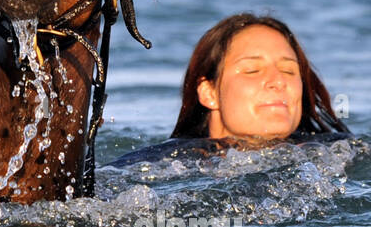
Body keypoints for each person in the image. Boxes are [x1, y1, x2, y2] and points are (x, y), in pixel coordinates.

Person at [112, 13, 349, 164]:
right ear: (209, 93)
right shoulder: (161, 163)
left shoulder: (340, 152)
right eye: (252, 70)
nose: (278, 81)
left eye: (289, 71)